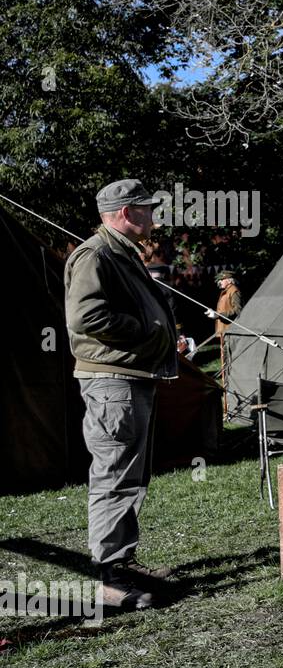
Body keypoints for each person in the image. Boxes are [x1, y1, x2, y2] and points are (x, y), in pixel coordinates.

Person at [64, 179, 179, 609]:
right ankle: (109, 580)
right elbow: (86, 316)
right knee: (114, 478)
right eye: (146, 208)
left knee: (128, 477)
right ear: (127, 213)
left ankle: (120, 566)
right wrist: (147, 333)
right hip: (113, 382)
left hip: (128, 379)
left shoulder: (118, 252)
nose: (153, 215)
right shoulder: (96, 254)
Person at [208, 270, 242, 413]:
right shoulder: (225, 292)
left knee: (229, 363)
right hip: (223, 332)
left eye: (221, 280)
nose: (219, 282)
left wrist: (218, 315)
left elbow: (238, 310)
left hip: (230, 331)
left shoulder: (233, 291)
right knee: (224, 363)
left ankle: (232, 395)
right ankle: (227, 396)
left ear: (228, 280)